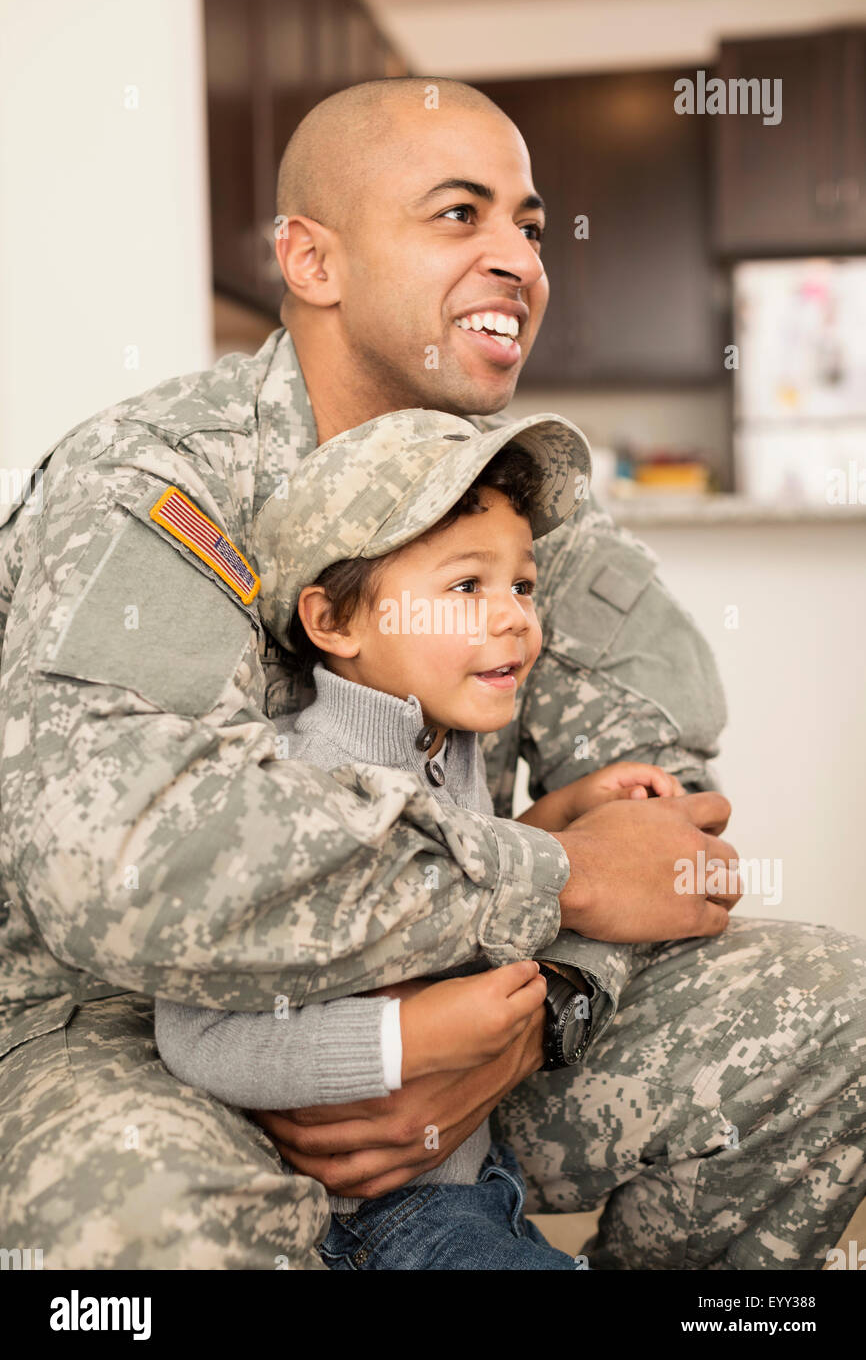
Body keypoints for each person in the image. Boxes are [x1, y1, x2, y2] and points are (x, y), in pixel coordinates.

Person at [0, 75, 862, 1270]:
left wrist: (540, 1010)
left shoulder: (528, 506)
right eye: (460, 214)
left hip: (468, 1001)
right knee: (141, 1221)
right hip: (135, 1031)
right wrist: (551, 875)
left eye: (528, 222)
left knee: (828, 1008)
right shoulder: (158, 483)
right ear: (311, 260)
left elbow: (668, 828)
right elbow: (124, 868)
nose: (516, 255)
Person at [154, 407, 689, 1270]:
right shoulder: (301, 788)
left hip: (478, 1172)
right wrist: (408, 1040)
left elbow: (461, 868)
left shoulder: (444, 738)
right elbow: (197, 1034)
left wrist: (565, 816)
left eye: (522, 585)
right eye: (466, 588)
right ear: (335, 624)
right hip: (381, 1214)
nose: (516, 617)